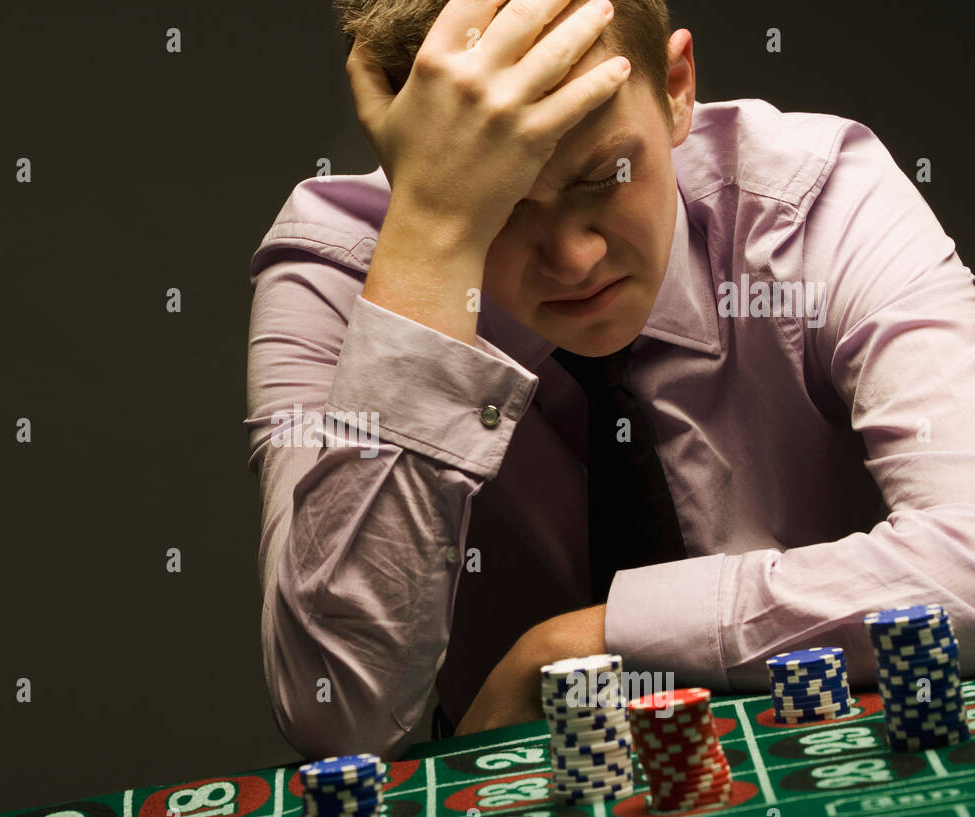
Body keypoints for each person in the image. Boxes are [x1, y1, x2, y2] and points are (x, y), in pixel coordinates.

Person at [243, 0, 975, 758]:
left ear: (678, 87)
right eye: (499, 205)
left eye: (602, 177)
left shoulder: (816, 201)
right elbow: (338, 720)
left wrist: (592, 638)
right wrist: (431, 235)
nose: (573, 258)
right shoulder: (343, 267)